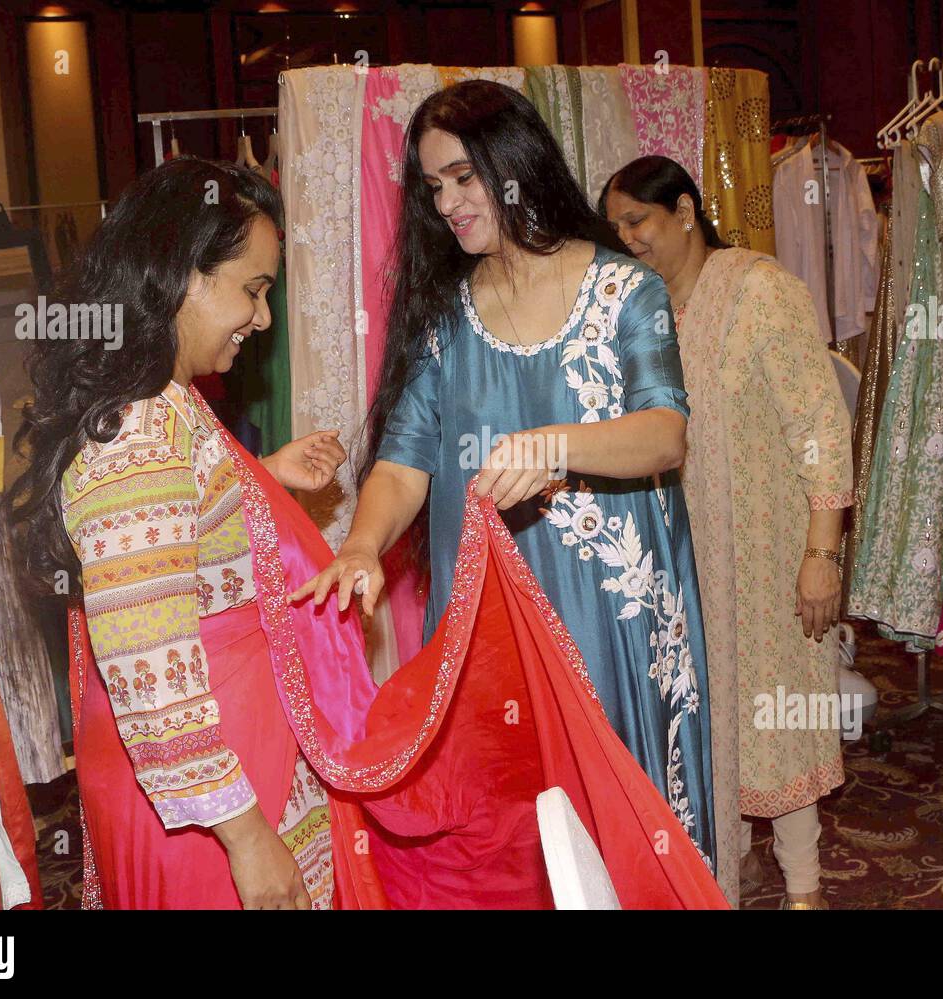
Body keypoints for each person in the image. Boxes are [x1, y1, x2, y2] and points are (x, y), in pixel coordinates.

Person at [297, 80, 717, 867]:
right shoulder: (444, 317)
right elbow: (405, 458)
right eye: (433, 187)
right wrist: (360, 543)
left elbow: (665, 436)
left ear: (513, 162)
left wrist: (552, 446)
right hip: (485, 621)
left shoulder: (628, 291)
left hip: (609, 618)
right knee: (504, 830)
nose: (448, 203)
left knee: (613, 827)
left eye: (463, 177)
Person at [11, 157, 347, 908]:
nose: (263, 318)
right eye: (253, 290)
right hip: (208, 804)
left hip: (222, 771)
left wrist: (259, 475)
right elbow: (148, 661)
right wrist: (248, 835)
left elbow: (174, 535)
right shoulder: (141, 425)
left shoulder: (163, 398)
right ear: (184, 277)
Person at [602, 155, 853, 909]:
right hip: (683, 554)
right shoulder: (639, 312)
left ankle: (804, 889)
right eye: (615, 229)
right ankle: (722, 879)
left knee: (777, 711)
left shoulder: (758, 289)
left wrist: (821, 553)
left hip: (765, 547)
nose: (628, 240)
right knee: (704, 717)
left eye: (636, 221)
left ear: (684, 209)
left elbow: (820, 426)